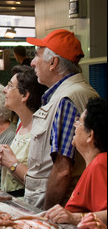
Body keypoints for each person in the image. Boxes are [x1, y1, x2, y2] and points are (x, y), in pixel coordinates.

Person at [26, 29, 99, 210]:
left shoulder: (67, 99)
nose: (33, 63)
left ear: (53, 62)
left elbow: (63, 171)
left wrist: (47, 214)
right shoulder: (70, 93)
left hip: (56, 208)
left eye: (37, 56)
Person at [44, 97, 107, 226]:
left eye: (79, 122)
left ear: (90, 135)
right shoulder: (95, 164)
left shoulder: (100, 163)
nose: (75, 125)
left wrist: (74, 217)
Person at [0, 65, 48, 196]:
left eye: (10, 86)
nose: (5, 90)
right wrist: (2, 158)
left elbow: (40, 183)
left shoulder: (41, 130)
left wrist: (11, 162)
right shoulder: (20, 125)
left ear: (25, 95)